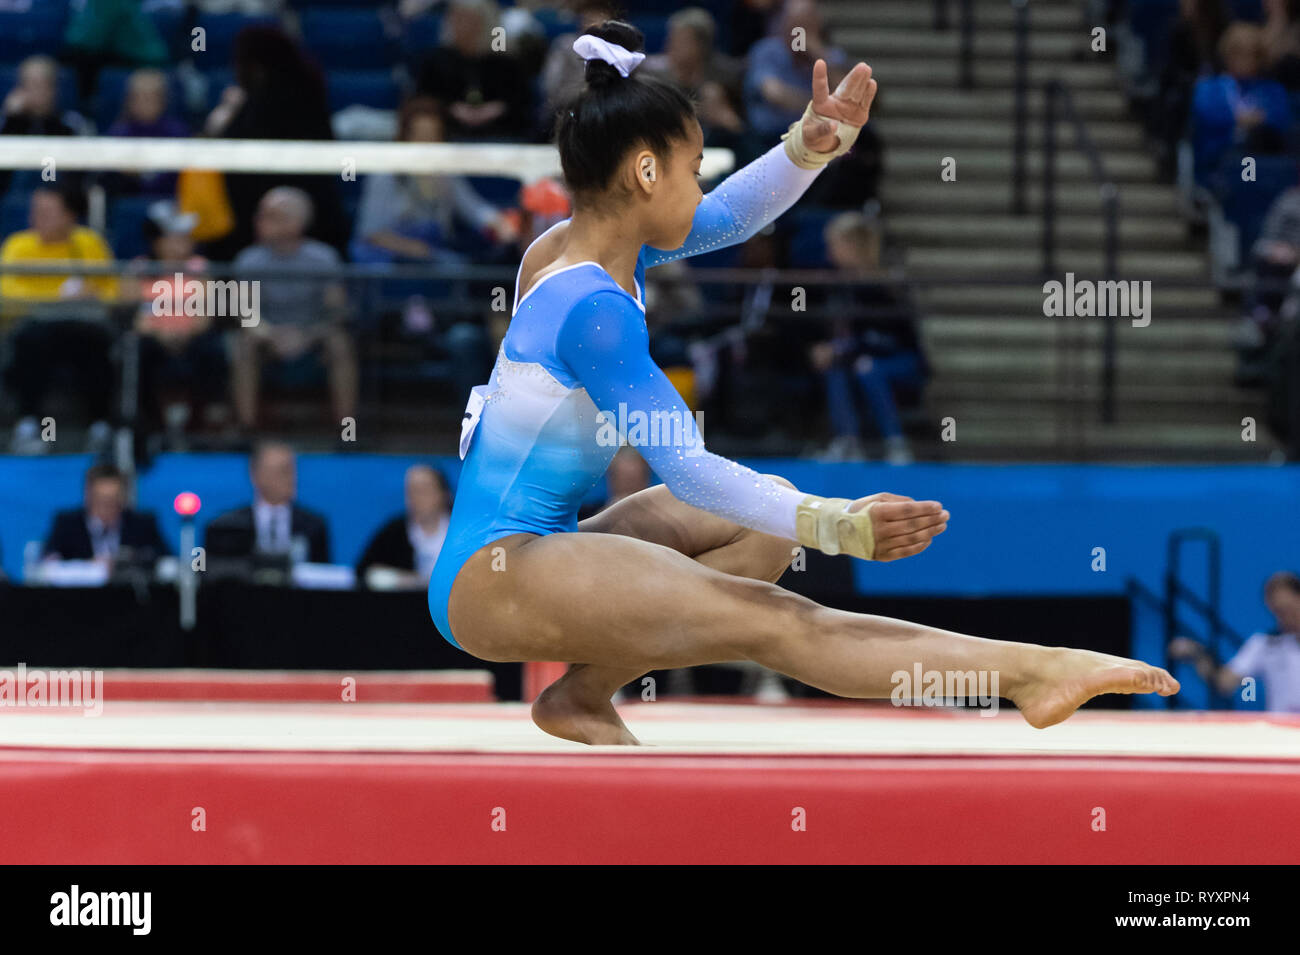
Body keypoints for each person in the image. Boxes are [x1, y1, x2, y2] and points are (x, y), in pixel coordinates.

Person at [427, 20, 1179, 746]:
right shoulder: (593, 312)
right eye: (692, 169)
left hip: (536, 547)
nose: (700, 186)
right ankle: (1031, 672)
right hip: (495, 579)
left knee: (762, 524)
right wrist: (837, 524)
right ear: (645, 173)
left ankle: (581, 692)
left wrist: (806, 148)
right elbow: (688, 470)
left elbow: (721, 219)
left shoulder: (568, 251)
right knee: (775, 616)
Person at [0, 185, 121, 455]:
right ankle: (29, 426)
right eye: (35, 211)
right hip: (33, 328)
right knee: (33, 343)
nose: (35, 218)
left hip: (81, 328)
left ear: (69, 216)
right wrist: (58, 295)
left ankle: (100, 427)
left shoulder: (88, 243)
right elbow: (6, 292)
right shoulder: (18, 245)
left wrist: (95, 293)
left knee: (95, 346)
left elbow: (112, 290)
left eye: (46, 212)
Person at [231, 187, 358, 430]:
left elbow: (337, 311)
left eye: (270, 216)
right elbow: (244, 313)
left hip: (313, 336)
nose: (259, 221)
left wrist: (307, 335)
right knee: (242, 345)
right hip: (267, 338)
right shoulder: (248, 260)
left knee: (340, 343)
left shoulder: (323, 258)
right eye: (261, 215)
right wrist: (270, 334)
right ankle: (246, 428)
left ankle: (346, 429)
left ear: (295, 223)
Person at [807, 211, 928, 464]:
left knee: (866, 368)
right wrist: (829, 348)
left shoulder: (886, 285)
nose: (829, 252)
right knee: (838, 367)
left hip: (900, 359)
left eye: (834, 244)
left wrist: (842, 348)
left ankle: (896, 443)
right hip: (863, 356)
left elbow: (885, 340)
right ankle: (848, 442)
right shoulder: (839, 283)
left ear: (853, 246)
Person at [1170, 571, 1300, 712]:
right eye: (1278, 611)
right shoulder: (1264, 644)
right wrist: (1198, 654)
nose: (1285, 617)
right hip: (1282, 729)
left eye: (1289, 609)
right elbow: (1225, 682)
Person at [415, 0, 534, 141]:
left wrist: (495, 109)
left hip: (500, 128)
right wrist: (451, 108)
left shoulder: (506, 61)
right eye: (456, 19)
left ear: (486, 23)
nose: (461, 26)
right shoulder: (436, 59)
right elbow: (424, 97)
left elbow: (523, 101)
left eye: (469, 20)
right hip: (449, 125)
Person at [1191, 22, 1291, 186]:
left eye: (1250, 54)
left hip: (1259, 159)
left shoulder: (1272, 89)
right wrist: (1244, 119)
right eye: (1237, 52)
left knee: (1259, 163)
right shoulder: (1210, 87)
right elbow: (1207, 115)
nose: (1242, 59)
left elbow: (1280, 119)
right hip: (1219, 159)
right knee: (1241, 166)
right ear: (1227, 54)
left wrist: (1245, 120)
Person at [205, 441, 331, 562]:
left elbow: (323, 577)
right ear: (256, 475)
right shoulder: (227, 528)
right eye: (284, 471)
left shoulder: (313, 527)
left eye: (293, 470)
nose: (292, 478)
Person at [42, 462, 167, 562]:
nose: (106, 507)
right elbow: (48, 563)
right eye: (100, 500)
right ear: (87, 495)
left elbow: (167, 562)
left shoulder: (142, 524)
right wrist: (89, 567)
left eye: (112, 500)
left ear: (124, 498)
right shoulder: (67, 524)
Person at [356, 465, 453, 587]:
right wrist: (404, 580)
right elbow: (363, 571)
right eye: (411, 491)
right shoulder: (394, 532)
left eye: (423, 490)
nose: (416, 498)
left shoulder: (461, 532)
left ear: (444, 494)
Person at [104, 69, 190, 196]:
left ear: (162, 100)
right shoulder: (119, 133)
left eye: (150, 97)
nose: (144, 103)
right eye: (138, 97)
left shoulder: (177, 132)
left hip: (170, 199)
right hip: (128, 198)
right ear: (129, 101)